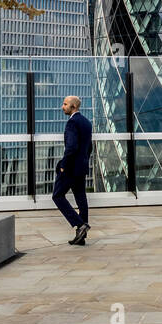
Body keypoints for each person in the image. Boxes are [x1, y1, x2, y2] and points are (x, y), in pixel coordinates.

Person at [53, 95, 93, 245]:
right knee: (81, 198)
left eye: (65, 104)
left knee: (57, 196)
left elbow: (71, 147)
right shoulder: (87, 123)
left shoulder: (72, 123)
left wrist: (64, 165)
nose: (62, 107)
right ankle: (81, 236)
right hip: (81, 167)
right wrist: (83, 161)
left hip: (70, 168)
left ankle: (80, 224)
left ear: (73, 107)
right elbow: (89, 147)